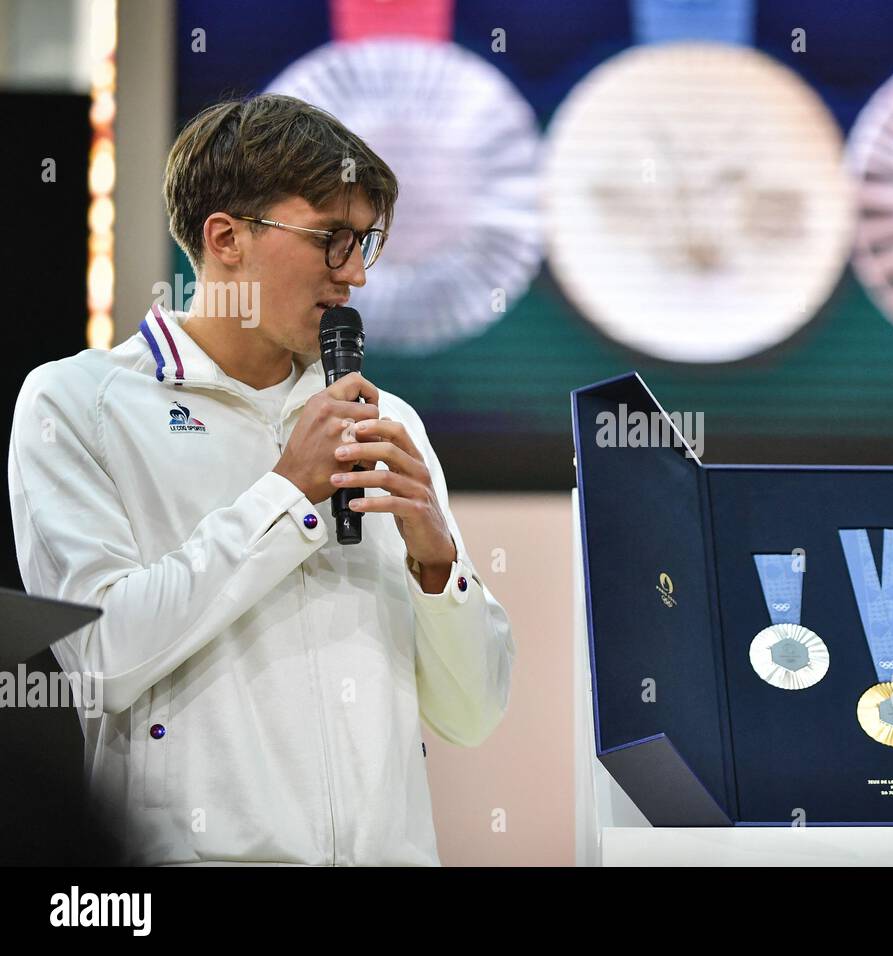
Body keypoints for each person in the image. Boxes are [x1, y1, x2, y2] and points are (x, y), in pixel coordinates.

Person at [7, 94, 515, 866]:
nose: (356, 277)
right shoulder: (78, 402)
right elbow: (102, 659)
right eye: (331, 241)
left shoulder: (389, 421)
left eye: (366, 243)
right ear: (226, 238)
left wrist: (439, 568)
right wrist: (286, 495)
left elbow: (474, 714)